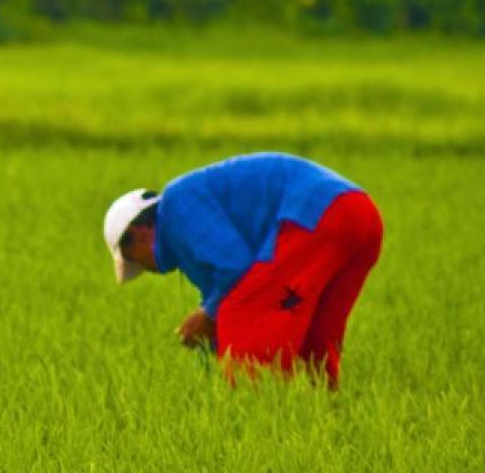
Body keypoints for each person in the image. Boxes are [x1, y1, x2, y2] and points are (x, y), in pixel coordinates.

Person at [102, 152, 383, 387]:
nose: (144, 269)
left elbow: (234, 268)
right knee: (315, 338)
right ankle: (324, 416)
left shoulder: (177, 206)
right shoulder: (187, 229)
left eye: (133, 259)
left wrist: (208, 316)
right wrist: (211, 326)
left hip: (314, 214)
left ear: (138, 233)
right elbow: (227, 286)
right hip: (359, 214)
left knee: (240, 313)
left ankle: (257, 421)